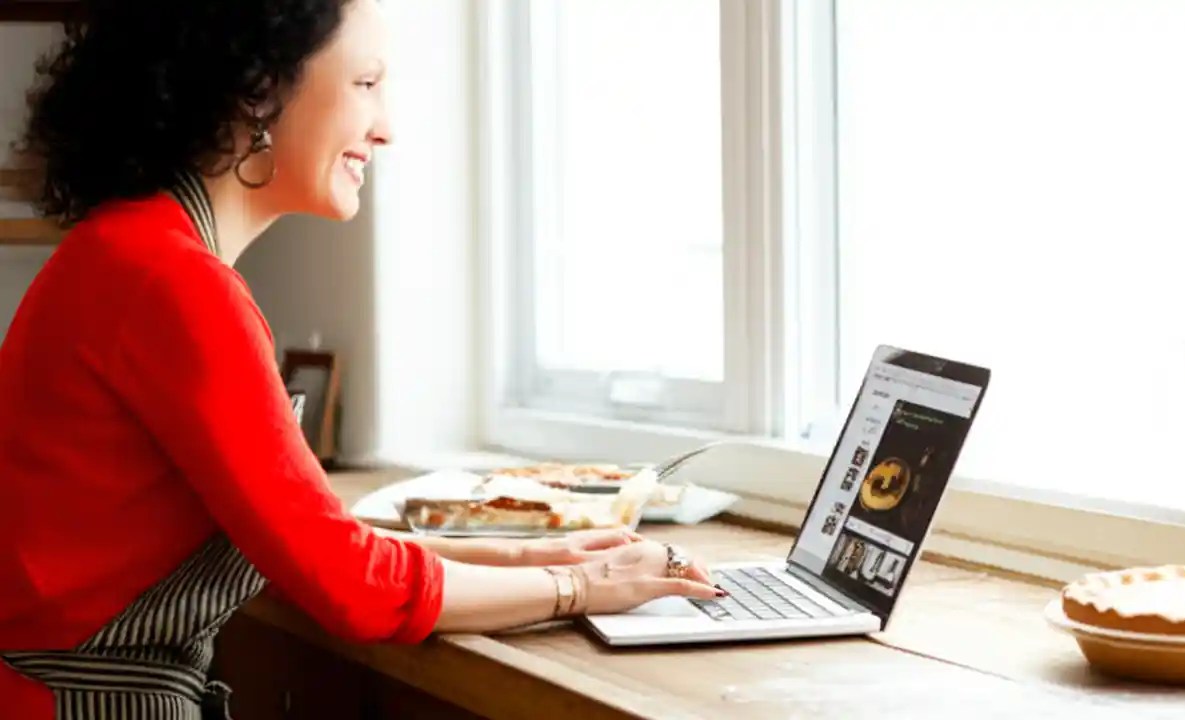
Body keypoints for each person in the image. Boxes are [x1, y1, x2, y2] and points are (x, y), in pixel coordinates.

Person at [0, 1, 721, 717]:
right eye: (366, 84)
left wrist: (551, 560)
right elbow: (349, 584)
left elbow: (313, 548)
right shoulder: (174, 283)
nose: (387, 127)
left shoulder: (128, 252)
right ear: (259, 87)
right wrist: (584, 589)